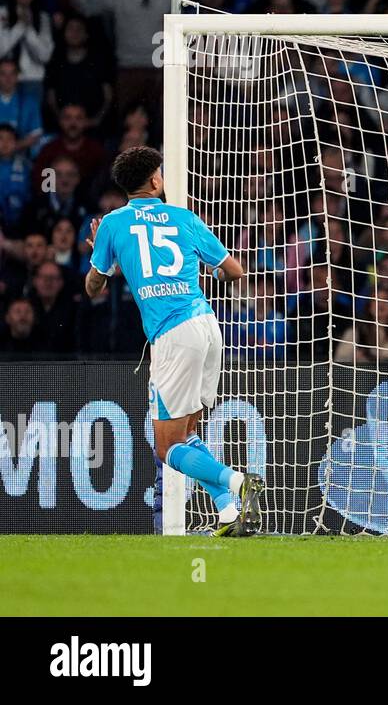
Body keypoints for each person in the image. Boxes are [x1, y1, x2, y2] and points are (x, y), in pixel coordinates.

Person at [84, 146, 262, 536]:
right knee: (187, 435)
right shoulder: (183, 218)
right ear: (155, 180)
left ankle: (237, 482)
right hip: (207, 326)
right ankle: (229, 511)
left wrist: (107, 258)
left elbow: (93, 286)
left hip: (172, 337)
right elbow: (234, 271)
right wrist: (194, 272)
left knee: (166, 449)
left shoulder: (112, 225)